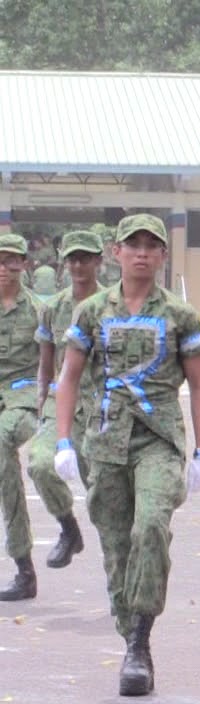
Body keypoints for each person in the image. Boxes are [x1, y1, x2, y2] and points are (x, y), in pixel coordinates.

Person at [53, 213, 200, 697]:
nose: (142, 252)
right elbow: (70, 378)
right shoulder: (93, 311)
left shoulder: (181, 315)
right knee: (117, 546)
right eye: (133, 244)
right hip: (104, 441)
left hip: (159, 440)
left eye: (152, 245)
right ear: (116, 252)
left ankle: (140, 643)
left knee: (150, 528)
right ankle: (130, 638)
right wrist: (63, 441)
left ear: (163, 255)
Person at [26, 231, 104, 574]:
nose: (78, 265)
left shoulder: (112, 305)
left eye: (85, 258)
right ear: (63, 263)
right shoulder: (53, 308)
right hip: (62, 406)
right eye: (72, 258)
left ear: (99, 261)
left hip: (101, 411)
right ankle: (69, 530)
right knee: (41, 465)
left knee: (103, 499)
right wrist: (42, 402)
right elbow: (46, 363)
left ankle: (119, 577)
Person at [0, 234, 44, 603]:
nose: (4, 268)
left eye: (12, 261)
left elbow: (58, 359)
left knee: (4, 446)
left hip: (25, 398)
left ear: (24, 265)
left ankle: (23, 566)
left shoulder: (39, 310)